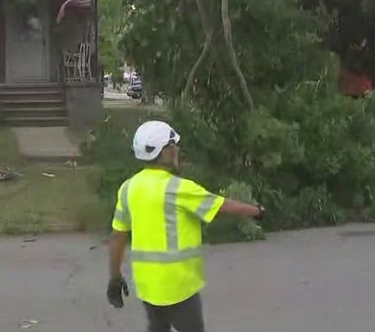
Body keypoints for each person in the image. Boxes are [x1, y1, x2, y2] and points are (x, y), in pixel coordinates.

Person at [107, 120, 263, 332]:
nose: (178, 149)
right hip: (179, 284)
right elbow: (221, 206)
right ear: (166, 152)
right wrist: (258, 212)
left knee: (157, 327)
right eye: (174, 146)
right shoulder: (178, 188)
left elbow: (118, 236)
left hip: (147, 285)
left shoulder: (128, 188)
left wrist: (114, 276)